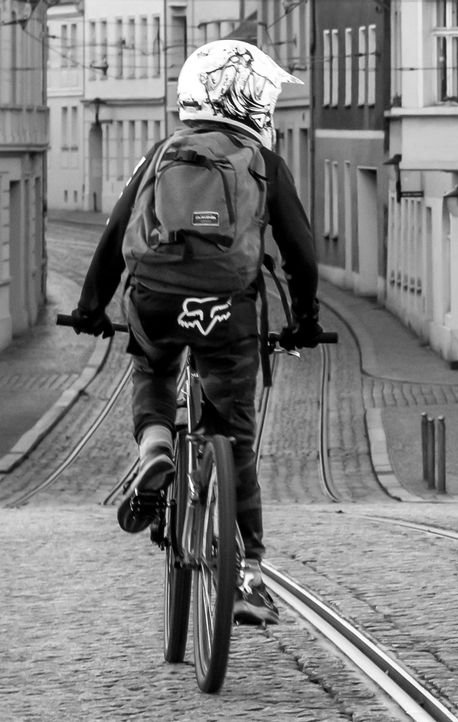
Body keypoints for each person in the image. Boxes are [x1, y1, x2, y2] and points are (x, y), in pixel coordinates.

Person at [68, 40, 322, 625]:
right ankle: (247, 578)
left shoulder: (161, 154)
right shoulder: (261, 161)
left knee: (152, 366)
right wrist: (306, 320)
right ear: (248, 101)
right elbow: (301, 255)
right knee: (233, 435)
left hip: (154, 300)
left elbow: (114, 237)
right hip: (226, 308)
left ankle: (156, 448)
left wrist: (89, 307)